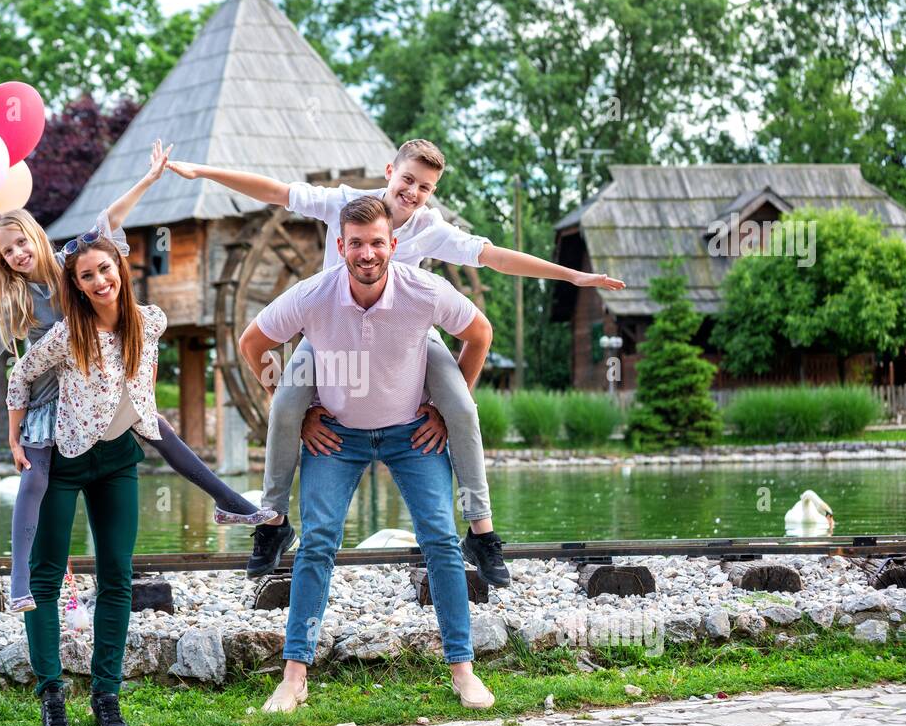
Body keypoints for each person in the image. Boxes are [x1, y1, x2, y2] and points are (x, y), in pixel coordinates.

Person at [169, 138, 625, 588]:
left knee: (463, 408)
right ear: (390, 172)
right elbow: (275, 191)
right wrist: (201, 172)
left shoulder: (430, 227)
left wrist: (572, 275)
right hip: (332, 334)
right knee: (285, 406)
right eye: (408, 179)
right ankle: (273, 523)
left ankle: (481, 533)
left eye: (425, 187)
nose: (413, 192)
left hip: (410, 339)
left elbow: (494, 257)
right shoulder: (346, 205)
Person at [0, 140, 273, 613]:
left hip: (99, 387)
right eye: (7, 252)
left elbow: (107, 222)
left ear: (36, 237)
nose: (18, 253)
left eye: (22, 242)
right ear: (1, 261)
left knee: (159, 429)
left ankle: (232, 502)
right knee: (34, 479)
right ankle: (20, 578)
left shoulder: (73, 267)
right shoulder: (18, 302)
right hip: (51, 399)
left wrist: (149, 179)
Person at [238, 195, 497, 713]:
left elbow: (479, 333)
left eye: (377, 242)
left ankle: (463, 670)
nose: (367, 253)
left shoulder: (424, 290)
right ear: (341, 246)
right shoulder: (313, 295)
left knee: (441, 540)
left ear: (393, 245)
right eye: (356, 243)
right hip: (336, 436)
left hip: (411, 434)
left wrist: (444, 411)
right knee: (316, 544)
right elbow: (252, 344)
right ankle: (293, 677)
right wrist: (301, 414)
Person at [5, 232, 161, 726]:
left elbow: (145, 377)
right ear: (75, 285)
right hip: (63, 460)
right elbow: (20, 375)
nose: (99, 281)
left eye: (104, 270)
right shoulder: (68, 332)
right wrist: (15, 438)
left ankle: (106, 694)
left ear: (120, 269)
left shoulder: (147, 323)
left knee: (117, 576)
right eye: (86, 276)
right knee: (46, 578)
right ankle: (52, 695)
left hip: (117, 461)